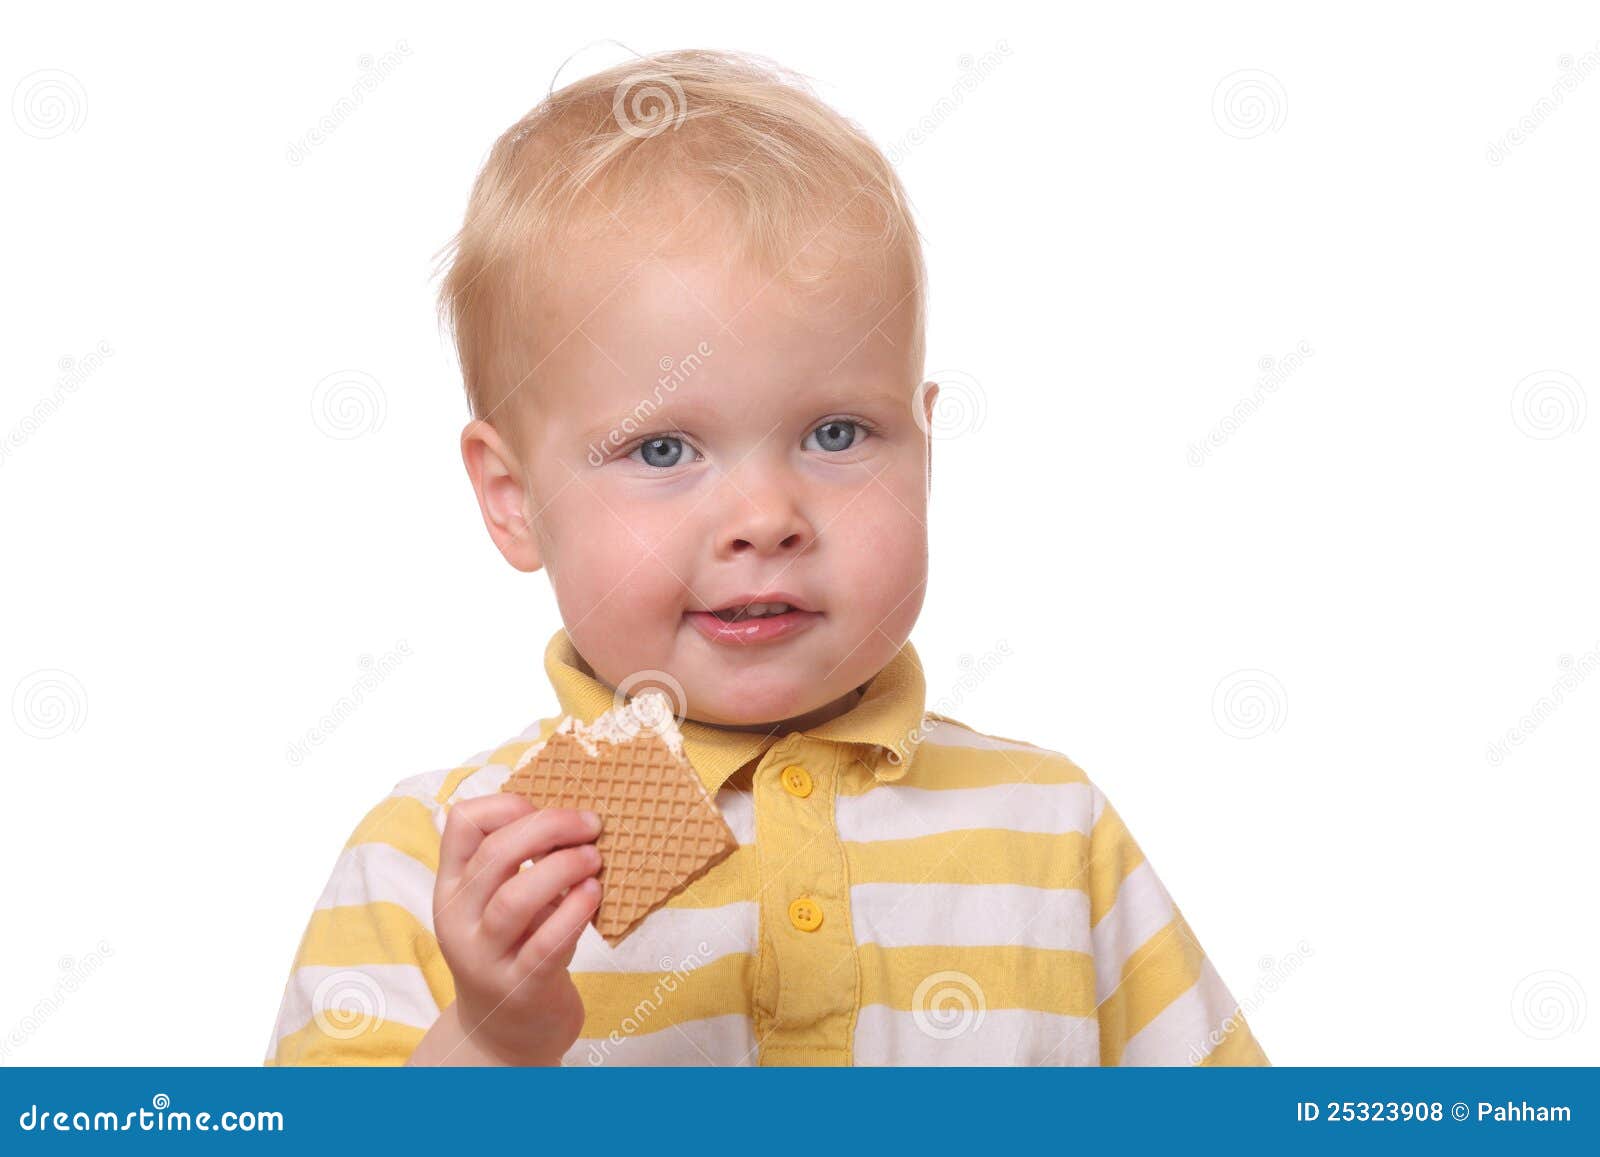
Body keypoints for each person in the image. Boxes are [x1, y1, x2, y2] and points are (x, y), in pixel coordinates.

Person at [266, 47, 1268, 1067]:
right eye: (662, 449)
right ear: (513, 499)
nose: (765, 516)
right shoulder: (436, 859)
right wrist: (490, 1032)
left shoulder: (1057, 832)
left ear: (923, 452)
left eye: (836, 433)